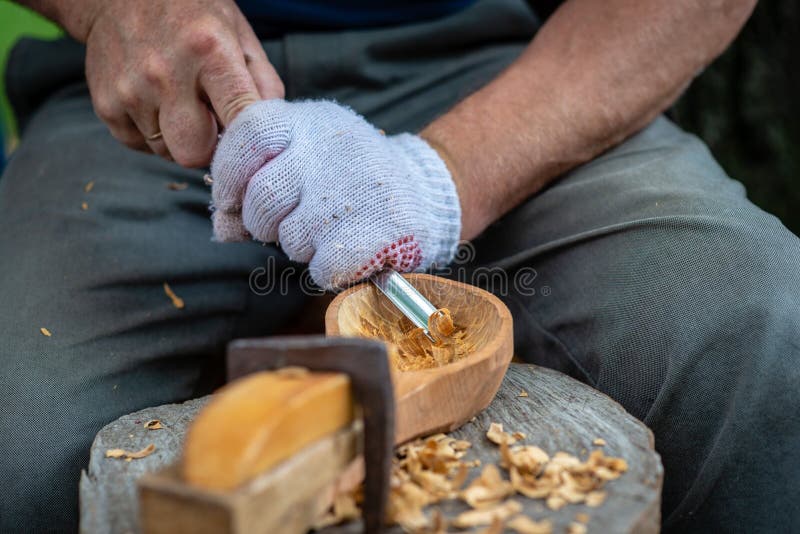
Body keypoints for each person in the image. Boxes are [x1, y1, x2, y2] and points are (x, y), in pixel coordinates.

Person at [1, 0, 798, 532]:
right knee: (19, 444)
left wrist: (435, 182)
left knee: (759, 330)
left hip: (520, 76)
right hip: (162, 96)